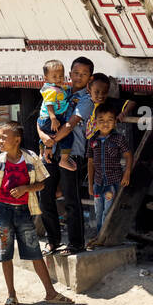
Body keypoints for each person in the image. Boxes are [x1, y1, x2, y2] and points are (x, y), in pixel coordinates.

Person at [0, 121, 73, 305]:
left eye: (4, 137)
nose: (0, 141)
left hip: (23, 212)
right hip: (2, 213)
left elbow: (42, 184)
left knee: (34, 252)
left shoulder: (31, 159)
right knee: (4, 254)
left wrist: (26, 188)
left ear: (17, 140)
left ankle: (51, 293)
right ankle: (11, 295)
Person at [38, 55, 94, 254]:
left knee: (71, 199)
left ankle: (76, 244)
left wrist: (51, 141)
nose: (79, 77)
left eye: (84, 74)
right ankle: (52, 240)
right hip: (50, 151)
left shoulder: (87, 99)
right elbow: (42, 116)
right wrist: (43, 137)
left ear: (90, 78)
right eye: (76, 73)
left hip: (72, 154)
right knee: (45, 197)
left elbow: (70, 125)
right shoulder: (59, 91)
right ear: (69, 74)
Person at [87, 102, 132, 237]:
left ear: (115, 122)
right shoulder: (92, 140)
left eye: (109, 120)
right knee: (98, 211)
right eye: (101, 120)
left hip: (113, 182)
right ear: (95, 122)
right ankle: (100, 235)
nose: (105, 124)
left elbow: (129, 156)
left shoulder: (118, 139)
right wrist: (90, 184)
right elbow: (90, 163)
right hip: (98, 182)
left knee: (108, 211)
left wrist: (127, 173)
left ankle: (105, 236)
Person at [37, 58, 74, 170]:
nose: (58, 79)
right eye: (54, 77)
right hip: (50, 118)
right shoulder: (50, 90)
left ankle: (41, 153)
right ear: (46, 78)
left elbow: (67, 90)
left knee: (47, 134)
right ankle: (64, 160)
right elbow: (49, 104)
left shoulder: (57, 87)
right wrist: (53, 118)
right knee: (67, 136)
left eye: (61, 76)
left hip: (45, 119)